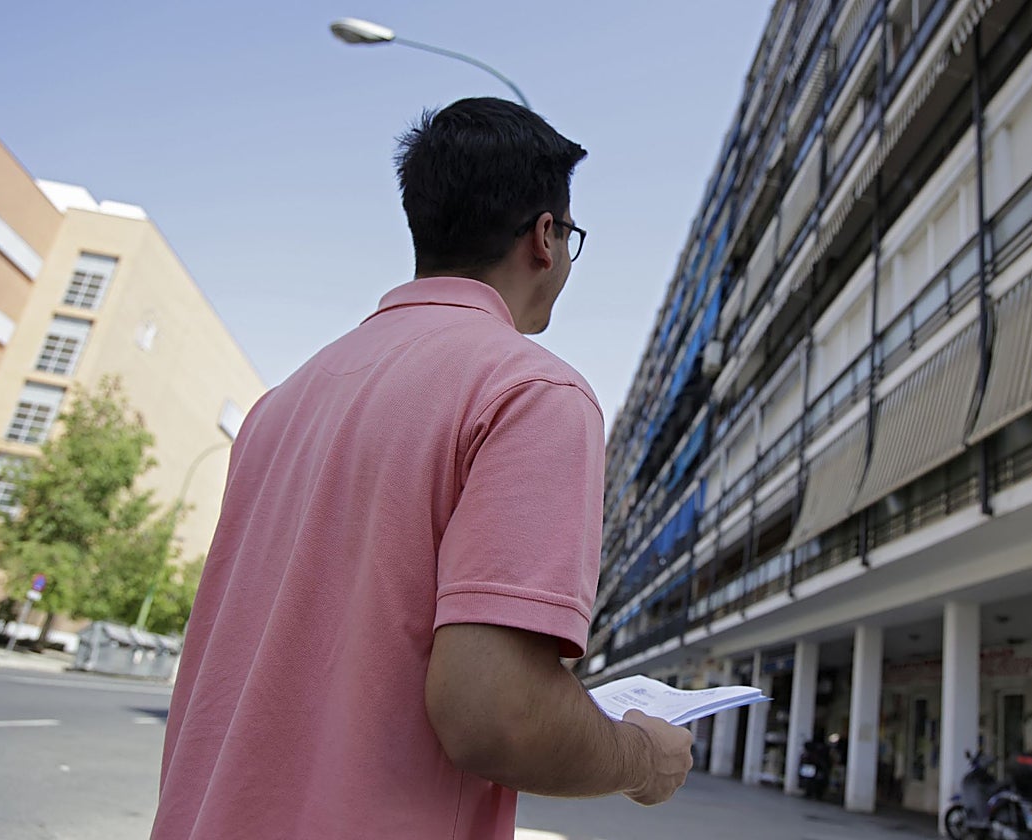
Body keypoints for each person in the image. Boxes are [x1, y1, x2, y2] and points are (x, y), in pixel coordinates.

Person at [150, 97, 693, 840]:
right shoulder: (533, 394)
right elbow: (493, 713)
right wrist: (641, 757)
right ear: (546, 237)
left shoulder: (280, 405)